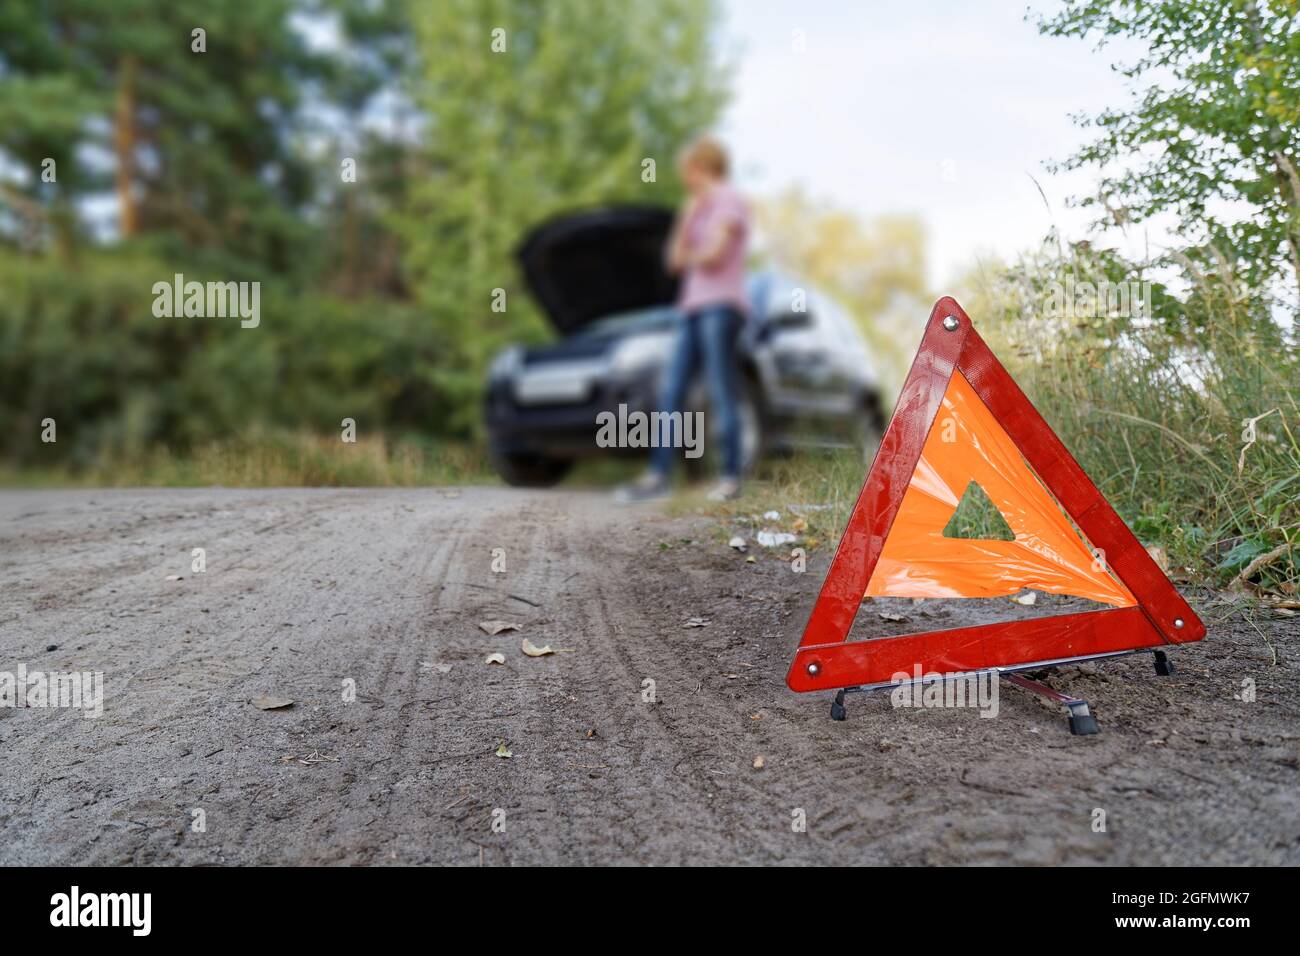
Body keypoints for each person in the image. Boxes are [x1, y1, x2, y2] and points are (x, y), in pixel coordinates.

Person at [618, 136, 750, 503]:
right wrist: (688, 217)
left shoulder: (730, 199)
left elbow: (713, 255)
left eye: (686, 171)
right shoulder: (698, 207)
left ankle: (730, 478)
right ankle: (658, 474)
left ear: (697, 167)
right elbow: (672, 261)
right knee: (671, 390)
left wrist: (692, 252)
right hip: (692, 308)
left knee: (722, 390)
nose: (685, 179)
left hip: (722, 306)